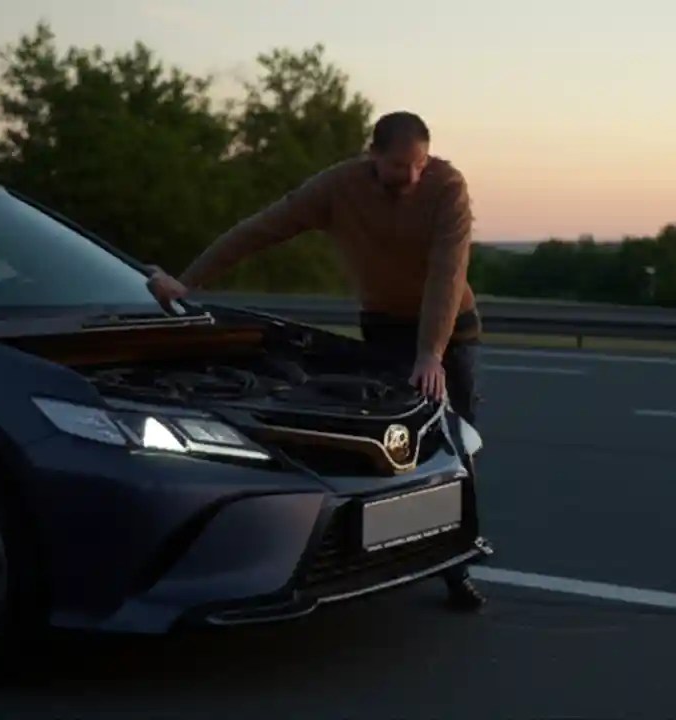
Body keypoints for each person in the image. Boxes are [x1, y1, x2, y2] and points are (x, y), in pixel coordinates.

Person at [144, 110, 486, 611]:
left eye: (419, 165)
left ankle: (457, 566)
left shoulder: (447, 187)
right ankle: (380, 548)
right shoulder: (339, 187)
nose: (410, 177)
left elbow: (447, 272)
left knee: (458, 441)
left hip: (452, 329)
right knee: (399, 439)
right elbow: (262, 229)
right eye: (398, 167)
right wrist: (188, 280)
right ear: (372, 156)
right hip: (388, 327)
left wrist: (431, 353)